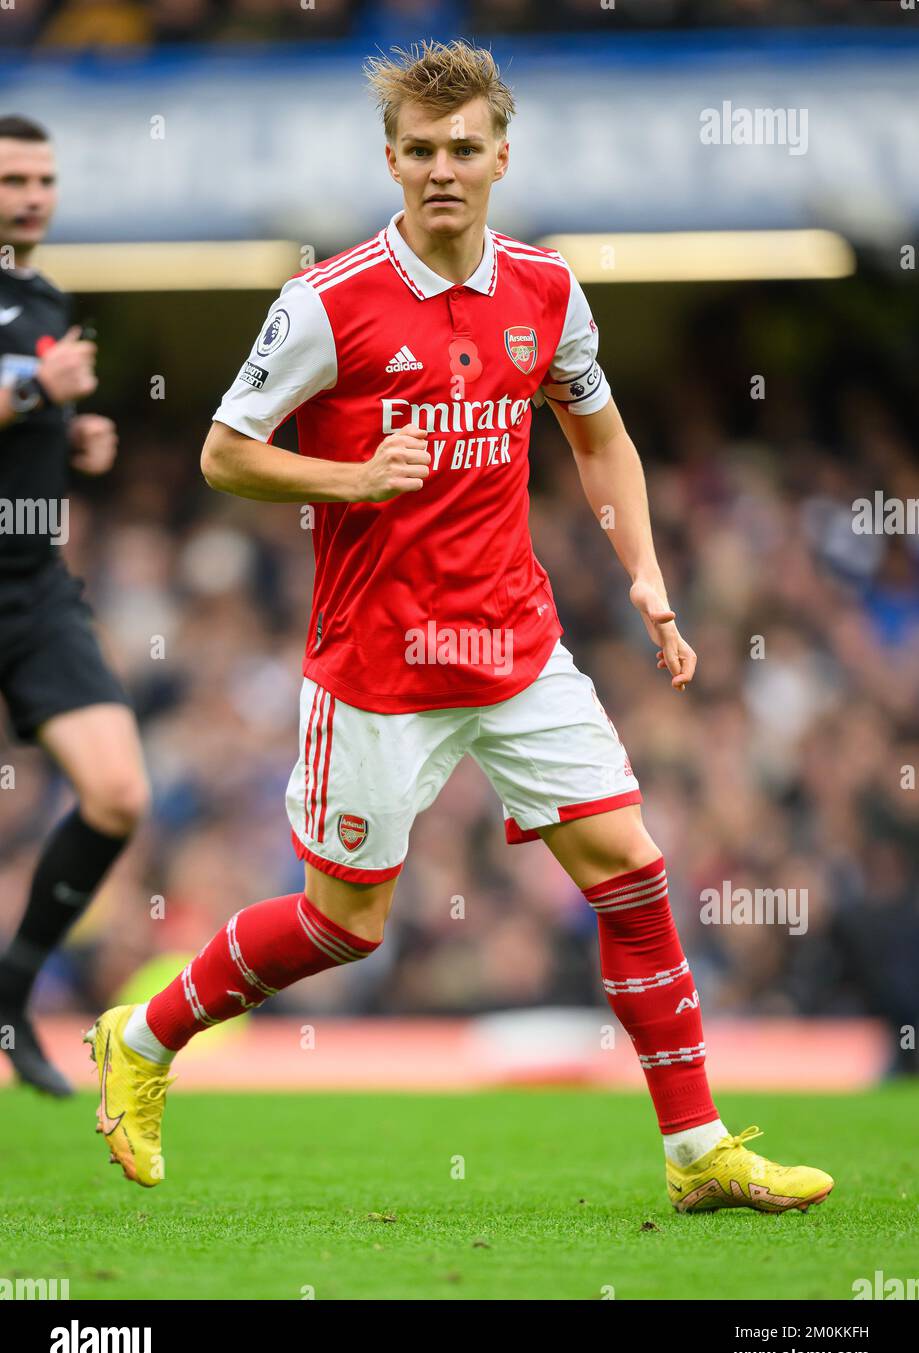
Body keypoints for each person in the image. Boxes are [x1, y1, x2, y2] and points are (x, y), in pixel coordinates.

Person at [85, 41, 832, 1213]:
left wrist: (646, 575)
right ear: (391, 160)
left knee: (632, 870)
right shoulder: (324, 304)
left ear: (498, 157)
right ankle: (147, 1032)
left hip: (517, 647)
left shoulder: (548, 290)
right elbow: (223, 454)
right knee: (347, 927)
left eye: (464, 149)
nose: (443, 168)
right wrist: (350, 481)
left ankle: (699, 1155)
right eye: (421, 151)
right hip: (377, 668)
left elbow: (602, 440)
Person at [0, 115, 149, 1097]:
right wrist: (28, 394)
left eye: (45, 177)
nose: (33, 195)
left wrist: (70, 434)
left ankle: (11, 995)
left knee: (117, 793)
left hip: (33, 587)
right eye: (13, 178)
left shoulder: (43, 296)